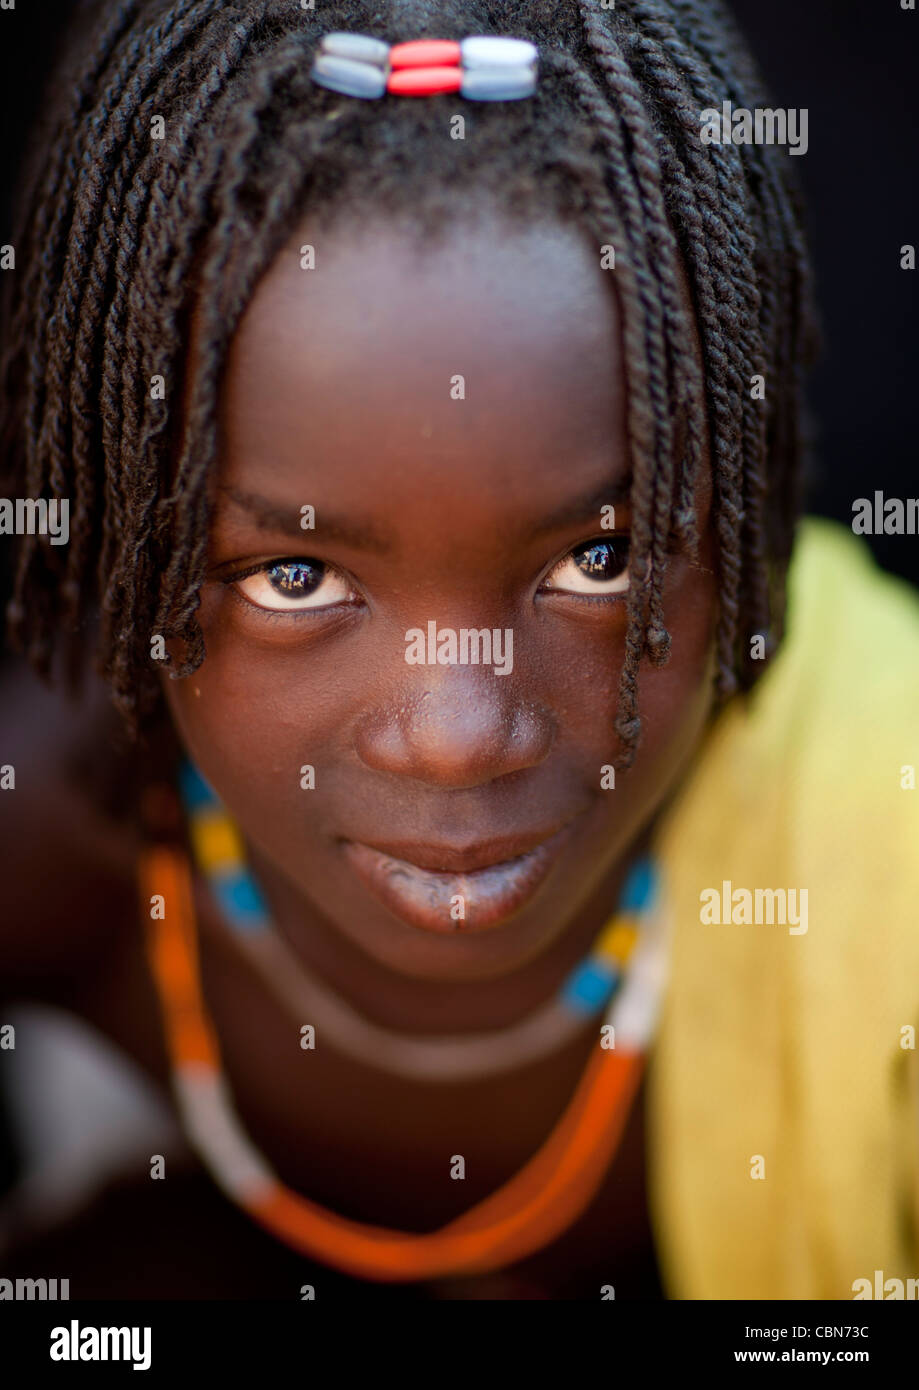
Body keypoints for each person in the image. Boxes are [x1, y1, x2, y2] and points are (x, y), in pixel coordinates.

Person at [0, 0, 916, 1300]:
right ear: (129, 548)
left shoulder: (884, 844)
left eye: (599, 559)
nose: (458, 729)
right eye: (298, 575)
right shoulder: (59, 829)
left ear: (753, 514)